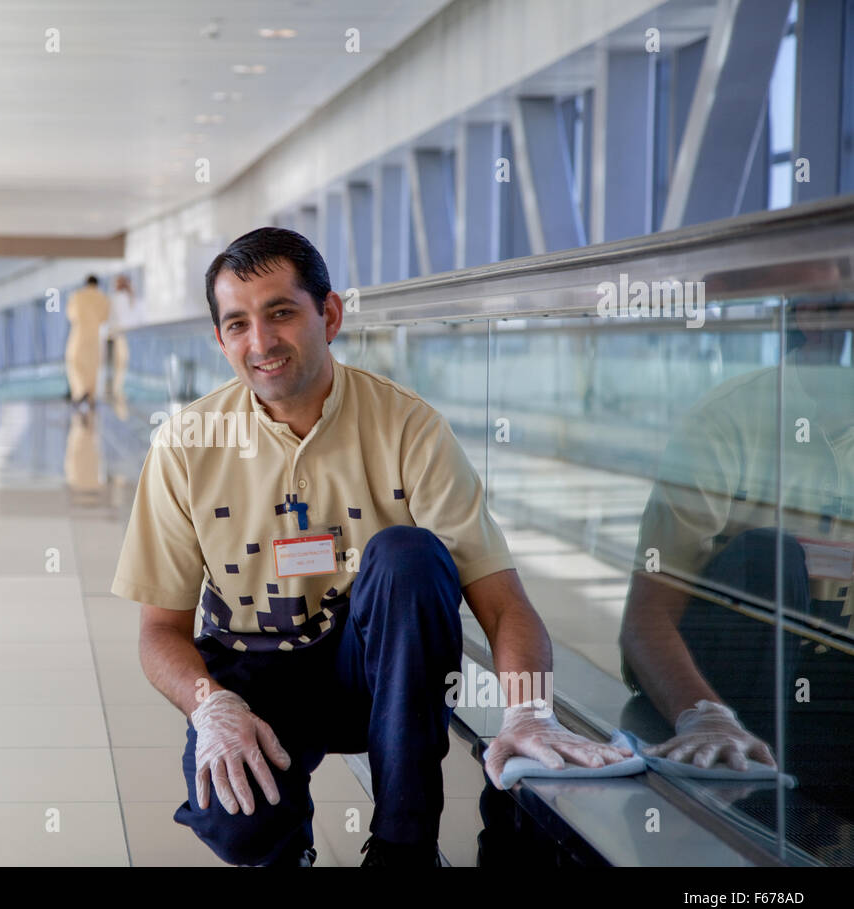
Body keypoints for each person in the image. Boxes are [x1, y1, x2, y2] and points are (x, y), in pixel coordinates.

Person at [110, 227, 630, 866]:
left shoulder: (406, 426)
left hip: (377, 671)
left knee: (407, 555)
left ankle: (403, 849)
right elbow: (158, 630)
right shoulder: (186, 444)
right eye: (238, 324)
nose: (262, 342)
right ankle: (283, 843)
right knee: (238, 822)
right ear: (220, 340)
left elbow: (502, 601)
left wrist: (529, 711)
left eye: (281, 313)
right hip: (254, 671)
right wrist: (211, 705)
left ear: (328, 315)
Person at [619, 298, 854, 813]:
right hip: (734, 678)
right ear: (814, 318)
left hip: (833, 678)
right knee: (768, 558)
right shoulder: (728, 419)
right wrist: (704, 714)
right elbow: (646, 617)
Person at [65, 276, 109, 408]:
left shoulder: (77, 296)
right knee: (93, 367)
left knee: (74, 362)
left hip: (79, 335)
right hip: (95, 337)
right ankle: (90, 396)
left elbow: (72, 315)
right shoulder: (103, 299)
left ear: (86, 283)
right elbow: (104, 318)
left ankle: (80, 391)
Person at [105, 275, 134, 399]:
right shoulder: (121, 298)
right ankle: (115, 391)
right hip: (118, 335)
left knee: (115, 364)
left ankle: (113, 390)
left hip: (113, 334)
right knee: (120, 364)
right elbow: (126, 317)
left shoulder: (117, 298)